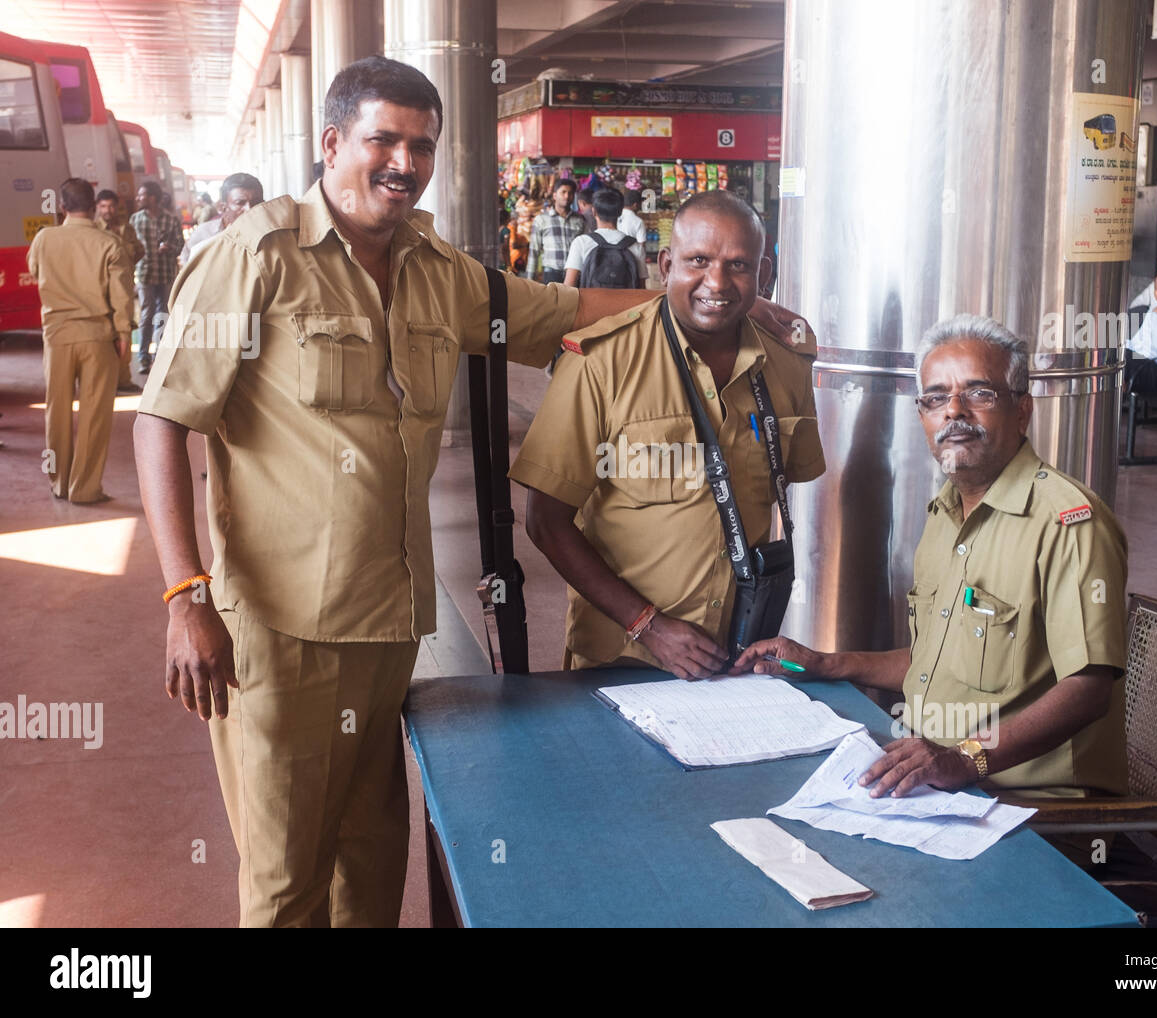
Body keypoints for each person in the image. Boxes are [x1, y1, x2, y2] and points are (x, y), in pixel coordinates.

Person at [134, 56, 809, 928]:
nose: (403, 163)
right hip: (278, 626)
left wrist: (711, 296)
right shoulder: (255, 259)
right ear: (333, 142)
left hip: (386, 625)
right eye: (383, 140)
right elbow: (163, 420)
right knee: (285, 877)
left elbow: (564, 314)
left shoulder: (435, 269)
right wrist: (185, 593)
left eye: (422, 146)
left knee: (371, 864)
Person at [736, 314, 1129, 805]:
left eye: (979, 393)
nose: (954, 412)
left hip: (1032, 806)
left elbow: (1088, 689)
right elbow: (933, 662)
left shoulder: (1069, 523)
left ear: (1023, 411)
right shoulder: (947, 513)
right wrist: (825, 663)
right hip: (939, 781)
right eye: (936, 398)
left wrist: (965, 759)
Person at [514, 189, 825, 677]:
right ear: (666, 265)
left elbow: (786, 494)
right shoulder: (602, 363)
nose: (716, 282)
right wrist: (648, 625)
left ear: (763, 275)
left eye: (739, 265)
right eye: (698, 260)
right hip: (622, 657)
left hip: (737, 659)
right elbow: (546, 521)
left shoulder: (787, 364)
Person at [26, 178, 133, 503]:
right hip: (97, 337)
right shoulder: (109, 242)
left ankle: (58, 482)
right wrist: (124, 332)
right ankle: (85, 489)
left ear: (61, 206)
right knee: (95, 414)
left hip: (57, 336)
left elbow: (34, 269)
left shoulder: (44, 238)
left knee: (56, 410)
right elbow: (122, 295)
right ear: (92, 206)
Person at [93, 188, 144, 393]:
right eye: (104, 206)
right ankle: (105, 381)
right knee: (105, 335)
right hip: (102, 290)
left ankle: (124, 379)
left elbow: (139, 251)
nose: (108, 210)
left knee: (126, 329)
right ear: (97, 207)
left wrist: (127, 267)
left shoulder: (126, 229)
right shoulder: (95, 229)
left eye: (111, 206)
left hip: (124, 287)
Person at [130, 179, 183, 373]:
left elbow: (179, 247)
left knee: (162, 316)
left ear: (152, 198)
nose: (138, 198)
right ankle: (143, 358)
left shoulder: (171, 220)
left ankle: (159, 356)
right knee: (146, 315)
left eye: (142, 195)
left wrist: (169, 248)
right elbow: (130, 248)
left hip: (165, 274)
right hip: (145, 275)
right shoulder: (135, 219)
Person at [562, 187, 645, 289]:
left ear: (594, 212)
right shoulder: (635, 247)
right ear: (620, 212)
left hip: (590, 304)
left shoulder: (581, 243)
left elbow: (568, 287)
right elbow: (641, 290)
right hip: (629, 305)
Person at [180, 172, 264, 265]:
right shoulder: (204, 234)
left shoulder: (268, 235)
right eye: (240, 203)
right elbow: (187, 269)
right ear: (223, 207)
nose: (249, 209)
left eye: (256, 202)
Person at [526, 178, 585, 283]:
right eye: (563, 192)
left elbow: (584, 249)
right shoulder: (541, 220)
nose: (567, 196)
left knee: (572, 300)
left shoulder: (580, 220)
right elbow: (534, 251)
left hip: (574, 274)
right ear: (554, 195)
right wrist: (529, 279)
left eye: (570, 193)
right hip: (551, 273)